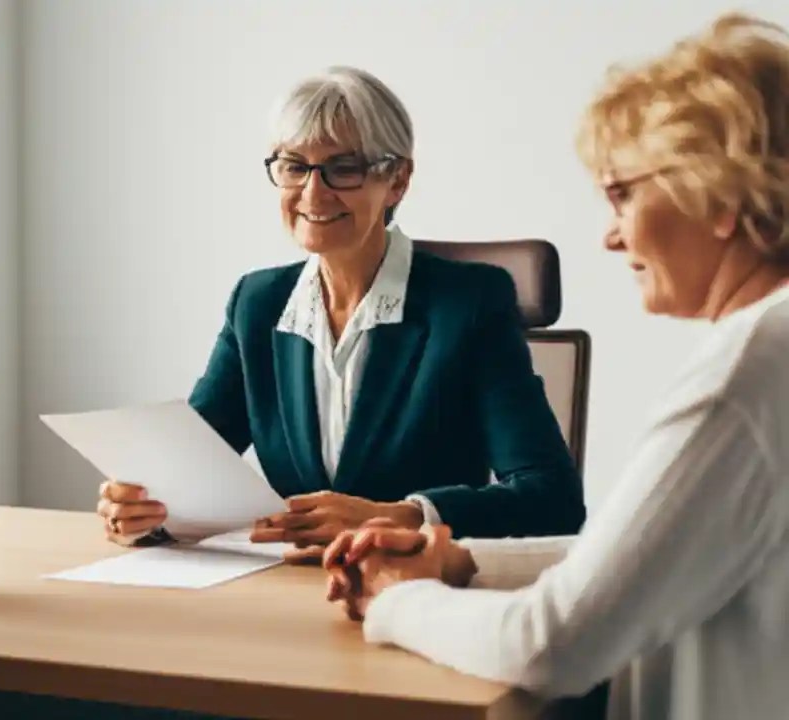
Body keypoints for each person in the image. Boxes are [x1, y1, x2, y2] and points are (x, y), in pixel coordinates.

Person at [325, 13, 789, 720]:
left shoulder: (745, 377)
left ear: (720, 194)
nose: (610, 236)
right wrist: (462, 562)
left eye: (622, 193)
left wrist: (396, 599)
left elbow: (552, 644)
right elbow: (647, 560)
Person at [98, 66, 584, 560]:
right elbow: (187, 472)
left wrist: (402, 516)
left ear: (397, 180)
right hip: (293, 586)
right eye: (294, 166)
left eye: (344, 168)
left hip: (414, 587)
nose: (314, 193)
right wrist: (143, 511)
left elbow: (553, 499)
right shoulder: (258, 304)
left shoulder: (470, 304)